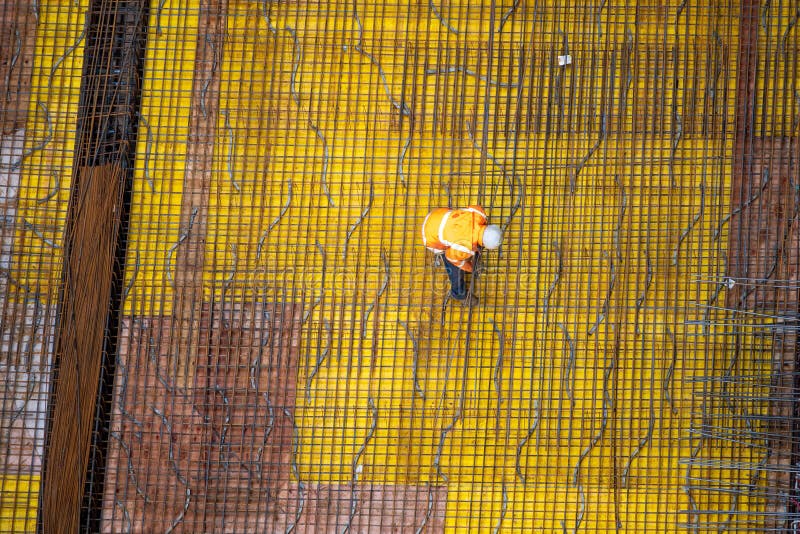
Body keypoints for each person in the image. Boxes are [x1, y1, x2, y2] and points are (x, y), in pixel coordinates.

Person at [420, 205, 502, 306]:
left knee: (467, 244)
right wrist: (472, 268)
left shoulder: (480, 214)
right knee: (454, 267)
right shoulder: (465, 248)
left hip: (437, 215)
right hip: (430, 237)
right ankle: (459, 294)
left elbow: (473, 207)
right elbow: (451, 257)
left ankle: (471, 245)